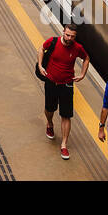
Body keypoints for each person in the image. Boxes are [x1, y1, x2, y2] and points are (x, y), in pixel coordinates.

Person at [39, 23, 89, 160]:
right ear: (63, 32)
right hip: (51, 82)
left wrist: (83, 74)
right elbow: (42, 48)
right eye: (67, 35)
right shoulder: (53, 42)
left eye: (72, 36)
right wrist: (39, 65)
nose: (69, 38)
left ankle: (64, 145)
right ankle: (49, 123)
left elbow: (86, 58)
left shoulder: (77, 48)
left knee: (66, 115)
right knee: (49, 109)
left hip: (67, 84)